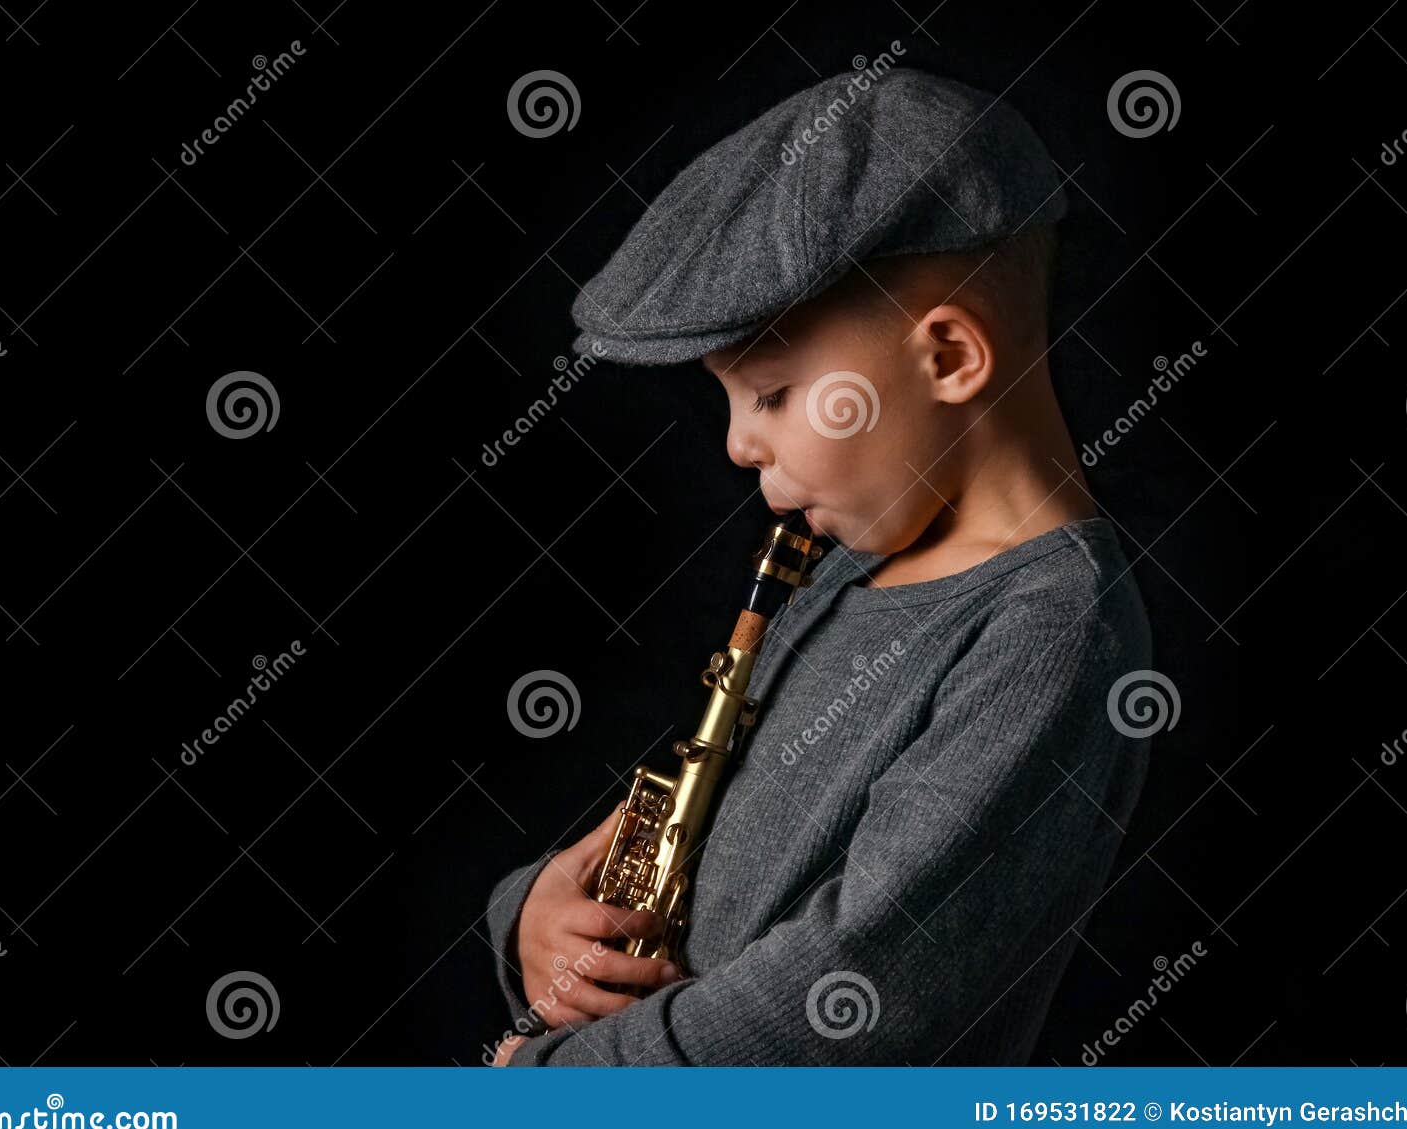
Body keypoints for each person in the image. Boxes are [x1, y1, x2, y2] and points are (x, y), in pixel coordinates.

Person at [485, 66, 1153, 1065]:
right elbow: (691, 848)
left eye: (770, 393)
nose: (736, 447)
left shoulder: (1051, 634)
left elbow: (846, 994)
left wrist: (549, 1081)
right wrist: (531, 912)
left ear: (948, 359)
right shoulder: (845, 566)